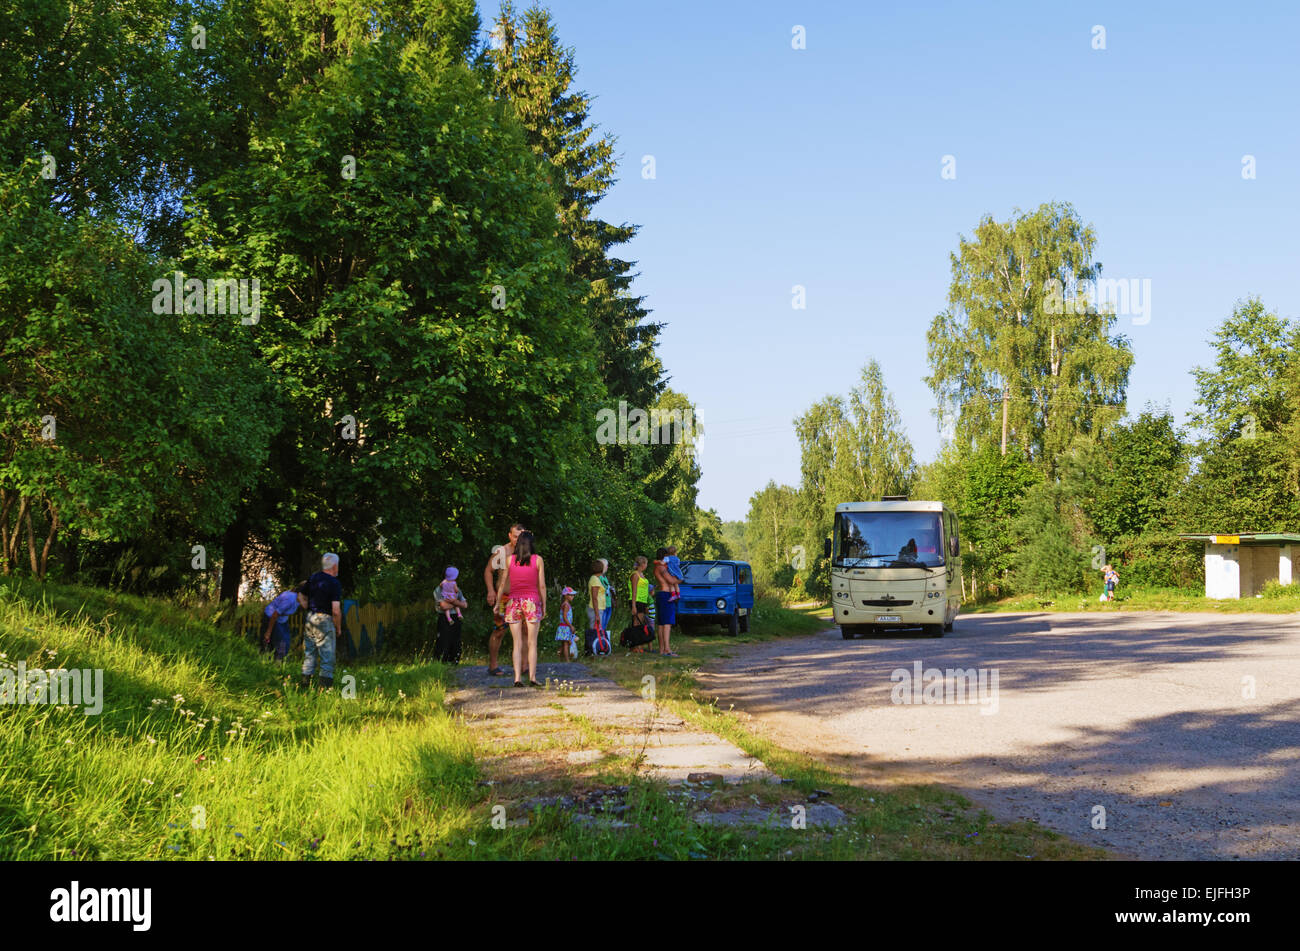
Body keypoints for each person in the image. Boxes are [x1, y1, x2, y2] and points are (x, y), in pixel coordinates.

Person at [504, 531, 546, 687]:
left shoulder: (509, 560)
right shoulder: (538, 560)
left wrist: (497, 603)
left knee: (517, 643)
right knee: (532, 642)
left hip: (513, 601)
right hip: (532, 601)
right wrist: (544, 604)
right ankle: (533, 677)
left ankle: (517, 678)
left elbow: (503, 583)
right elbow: (541, 585)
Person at [483, 523, 525, 677]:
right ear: (509, 535)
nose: (517, 540)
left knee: (526, 630)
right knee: (500, 630)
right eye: (515, 536)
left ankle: (524, 665)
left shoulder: (527, 551)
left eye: (520, 537)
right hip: (505, 596)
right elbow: (488, 571)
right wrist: (490, 591)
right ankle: (493, 665)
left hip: (523, 596)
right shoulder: (502, 551)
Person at [301, 553, 343, 689]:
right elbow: (335, 610)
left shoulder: (313, 578)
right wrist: (338, 628)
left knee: (310, 653)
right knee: (327, 656)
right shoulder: (334, 582)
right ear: (335, 566)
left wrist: (307, 607)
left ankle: (304, 685)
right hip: (324, 620)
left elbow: (300, 596)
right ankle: (324, 690)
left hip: (310, 618)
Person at [261, 582, 306, 662]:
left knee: (285, 641)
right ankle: (275, 663)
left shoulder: (298, 598)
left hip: (282, 620)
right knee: (280, 643)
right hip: (271, 618)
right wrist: (268, 632)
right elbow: (275, 614)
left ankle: (278, 662)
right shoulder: (290, 599)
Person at [435, 567, 468, 664]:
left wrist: (454, 602)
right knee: (443, 640)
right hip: (444, 618)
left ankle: (454, 661)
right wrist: (456, 603)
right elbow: (443, 606)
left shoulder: (456, 587)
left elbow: (465, 604)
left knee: (456, 640)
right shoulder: (439, 589)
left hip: (456, 617)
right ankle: (442, 662)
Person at [652, 547, 678, 657]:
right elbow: (671, 580)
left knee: (662, 623)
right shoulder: (662, 568)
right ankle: (667, 650)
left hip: (661, 594)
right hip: (666, 595)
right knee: (667, 623)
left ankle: (662, 649)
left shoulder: (657, 567)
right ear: (665, 556)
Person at [586, 559, 607, 653]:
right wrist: (597, 614)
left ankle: (596, 649)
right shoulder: (594, 579)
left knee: (596, 630)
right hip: (596, 609)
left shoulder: (596, 579)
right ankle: (592, 649)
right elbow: (594, 598)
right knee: (594, 630)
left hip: (599, 608)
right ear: (601, 569)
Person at [555, 587, 578, 661]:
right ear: (566, 596)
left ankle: (559, 654)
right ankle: (567, 661)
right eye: (571, 595)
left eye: (573, 595)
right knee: (566, 644)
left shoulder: (566, 604)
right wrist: (571, 626)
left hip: (565, 627)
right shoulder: (566, 605)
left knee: (564, 643)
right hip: (565, 627)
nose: (573, 597)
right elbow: (565, 617)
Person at [599, 559, 615, 633]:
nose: (607, 567)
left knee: (604, 626)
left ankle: (603, 642)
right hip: (602, 605)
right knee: (601, 626)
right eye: (606, 565)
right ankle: (599, 642)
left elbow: (606, 588)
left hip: (608, 604)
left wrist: (611, 588)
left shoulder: (604, 577)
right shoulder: (598, 577)